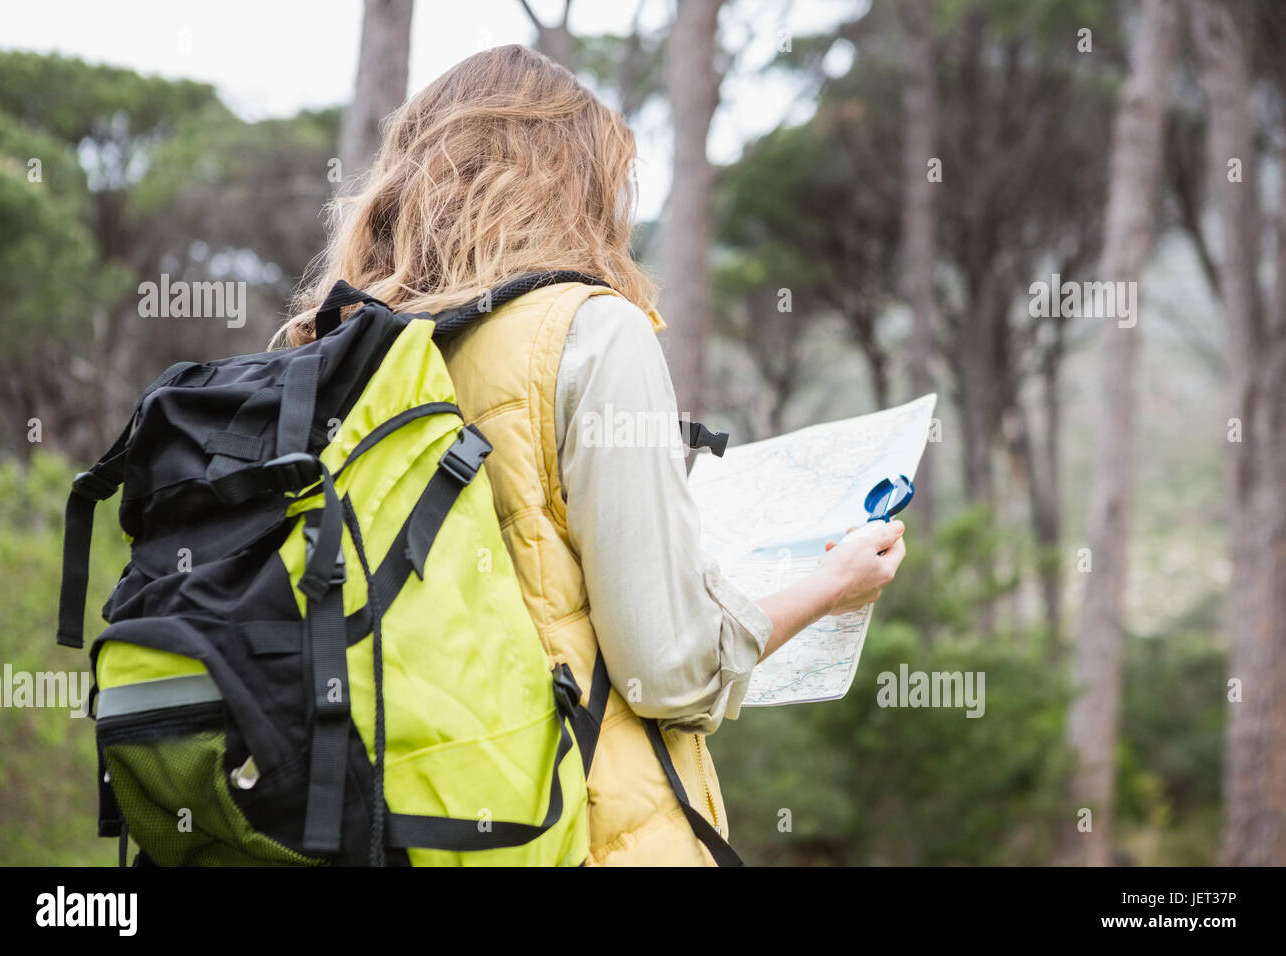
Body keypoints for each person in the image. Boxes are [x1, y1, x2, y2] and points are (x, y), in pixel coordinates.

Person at [274, 44, 905, 866]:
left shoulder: (328, 354)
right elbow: (668, 669)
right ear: (573, 184)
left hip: (406, 825)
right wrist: (830, 585)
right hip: (581, 827)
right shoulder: (591, 331)